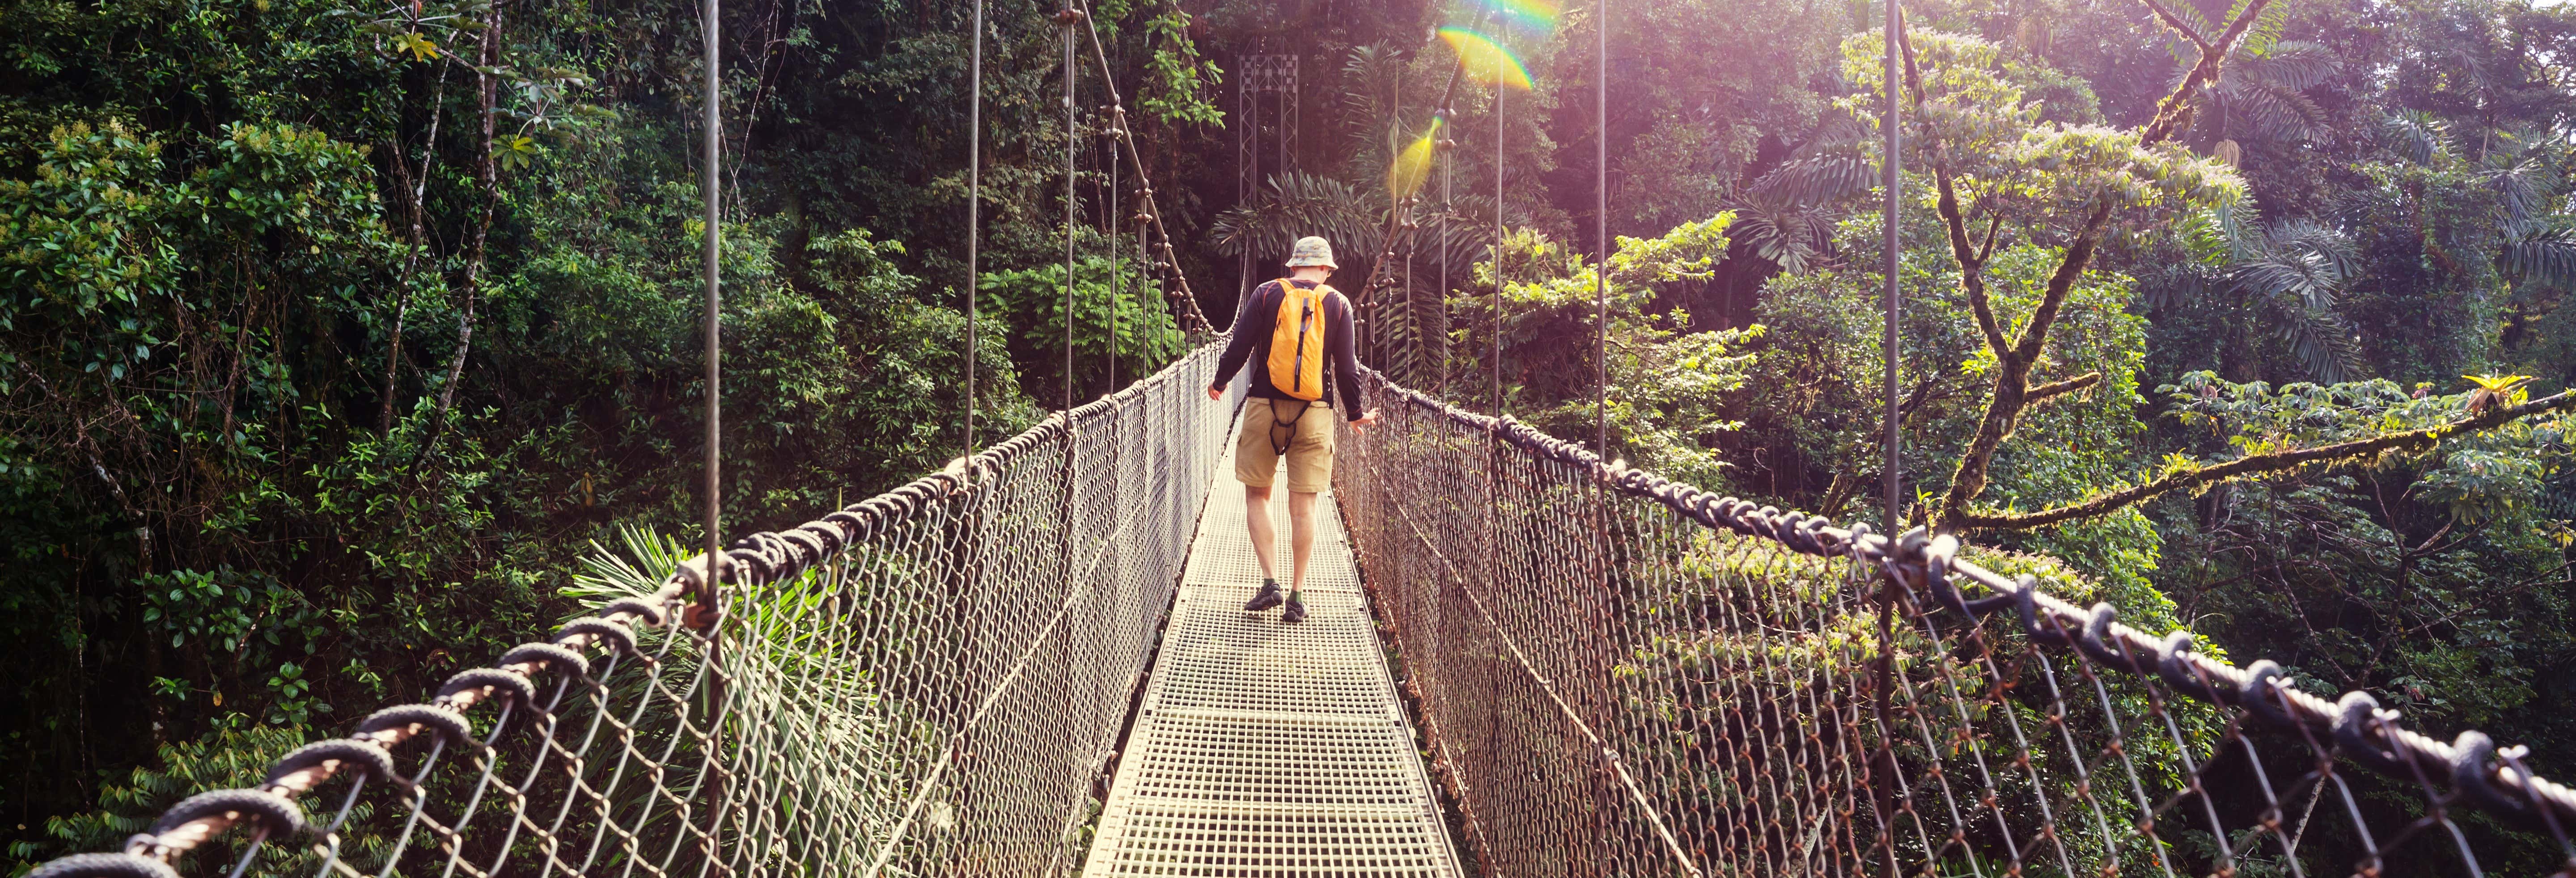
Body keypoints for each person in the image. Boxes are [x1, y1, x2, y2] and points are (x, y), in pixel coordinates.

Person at [1206, 236, 1377, 623]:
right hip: (1315, 413)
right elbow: (1347, 368)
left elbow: (1241, 346)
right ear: (1326, 270)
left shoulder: (1267, 294)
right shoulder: (1338, 303)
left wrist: (1220, 382)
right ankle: (1297, 596)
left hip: (1264, 407)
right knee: (1304, 508)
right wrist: (1355, 414)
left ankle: (1270, 583)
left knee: (1258, 496)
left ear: (1293, 266)